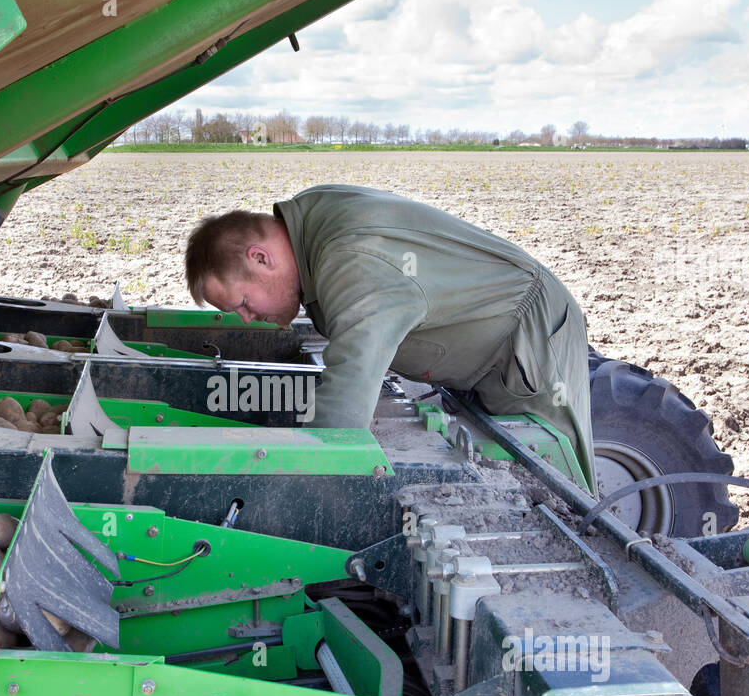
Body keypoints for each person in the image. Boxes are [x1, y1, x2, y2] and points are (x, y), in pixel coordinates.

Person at [184, 184, 595, 492]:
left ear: (261, 257)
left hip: (525, 338)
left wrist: (311, 479)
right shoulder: (309, 229)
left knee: (550, 481)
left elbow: (352, 379)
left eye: (241, 301)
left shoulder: (352, 258)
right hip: (477, 348)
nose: (246, 318)